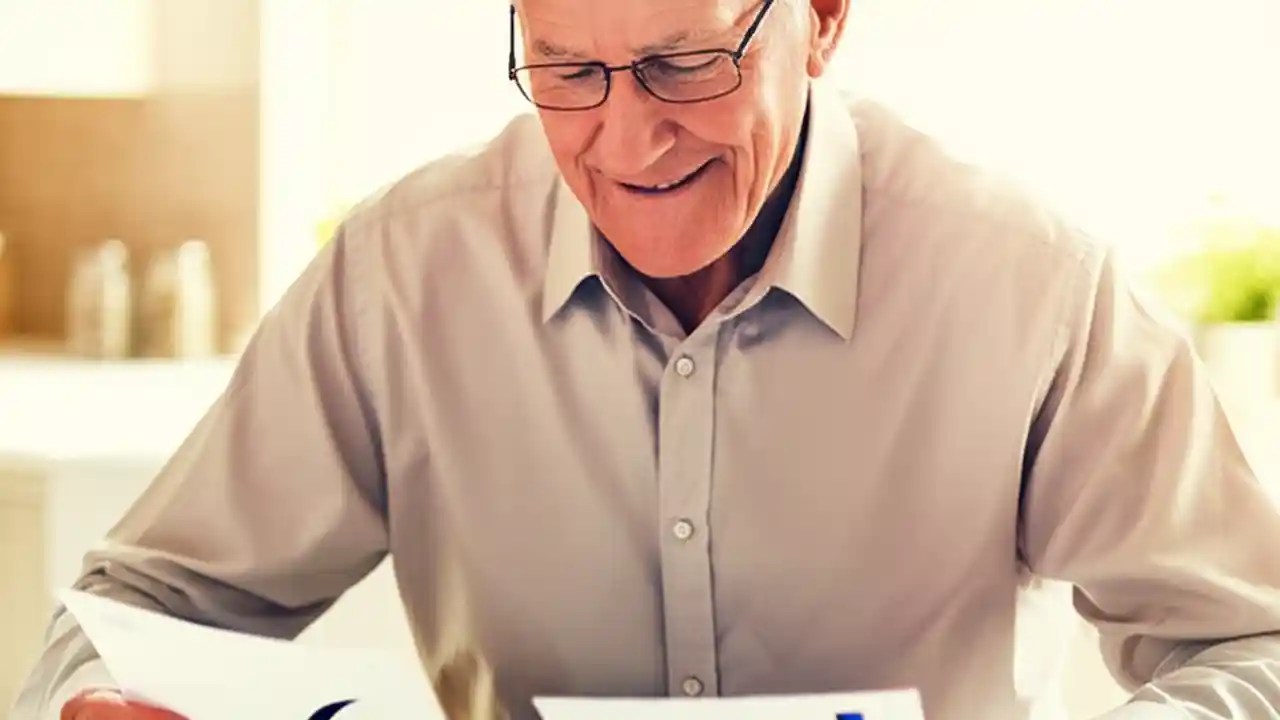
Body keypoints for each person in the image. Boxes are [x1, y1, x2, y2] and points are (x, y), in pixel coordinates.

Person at [14, 0, 1280, 718]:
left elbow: (1248, 648)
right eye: (567, 71)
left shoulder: (1027, 281)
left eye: (685, 65)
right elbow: (138, 609)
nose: (628, 140)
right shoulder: (402, 271)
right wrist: (99, 700)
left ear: (820, 19)